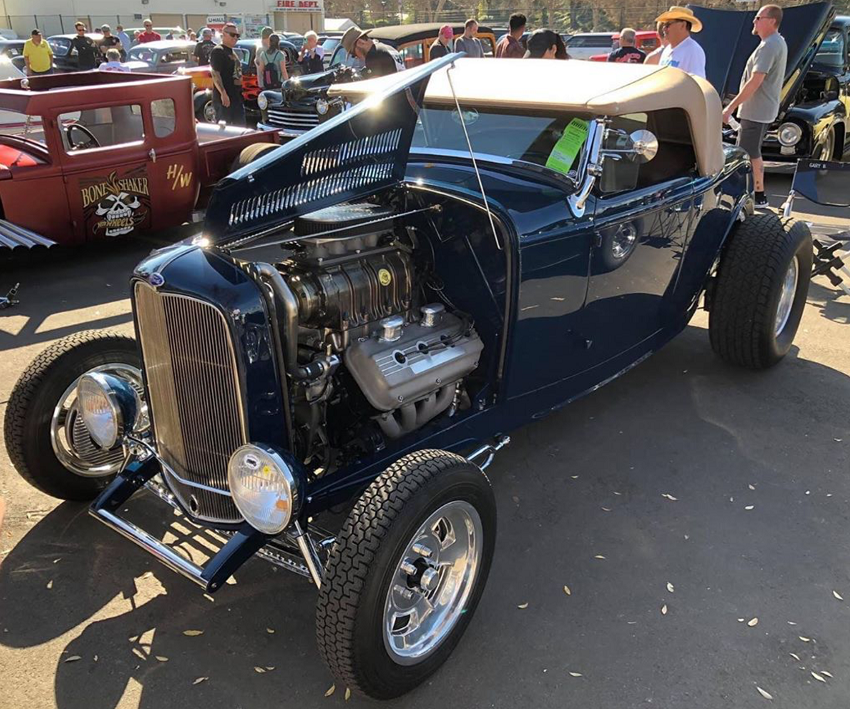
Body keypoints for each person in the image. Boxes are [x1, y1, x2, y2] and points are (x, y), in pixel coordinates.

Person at [723, 4, 787, 209]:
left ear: (771, 21)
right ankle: (756, 194)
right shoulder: (777, 42)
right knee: (752, 151)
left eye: (758, 18)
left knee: (748, 153)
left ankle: (757, 195)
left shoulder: (769, 45)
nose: (754, 21)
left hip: (757, 110)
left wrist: (730, 107)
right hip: (761, 109)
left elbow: (756, 81)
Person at [654, 6, 705, 78]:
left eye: (667, 25)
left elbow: (697, 83)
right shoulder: (667, 50)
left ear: (682, 25)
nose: (664, 28)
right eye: (664, 25)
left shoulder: (693, 50)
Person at [209, 22, 244, 125]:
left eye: (237, 35)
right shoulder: (218, 51)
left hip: (236, 97)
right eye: (232, 35)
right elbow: (215, 73)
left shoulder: (232, 52)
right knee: (225, 130)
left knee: (240, 129)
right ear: (223, 34)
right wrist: (223, 93)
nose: (235, 38)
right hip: (225, 100)